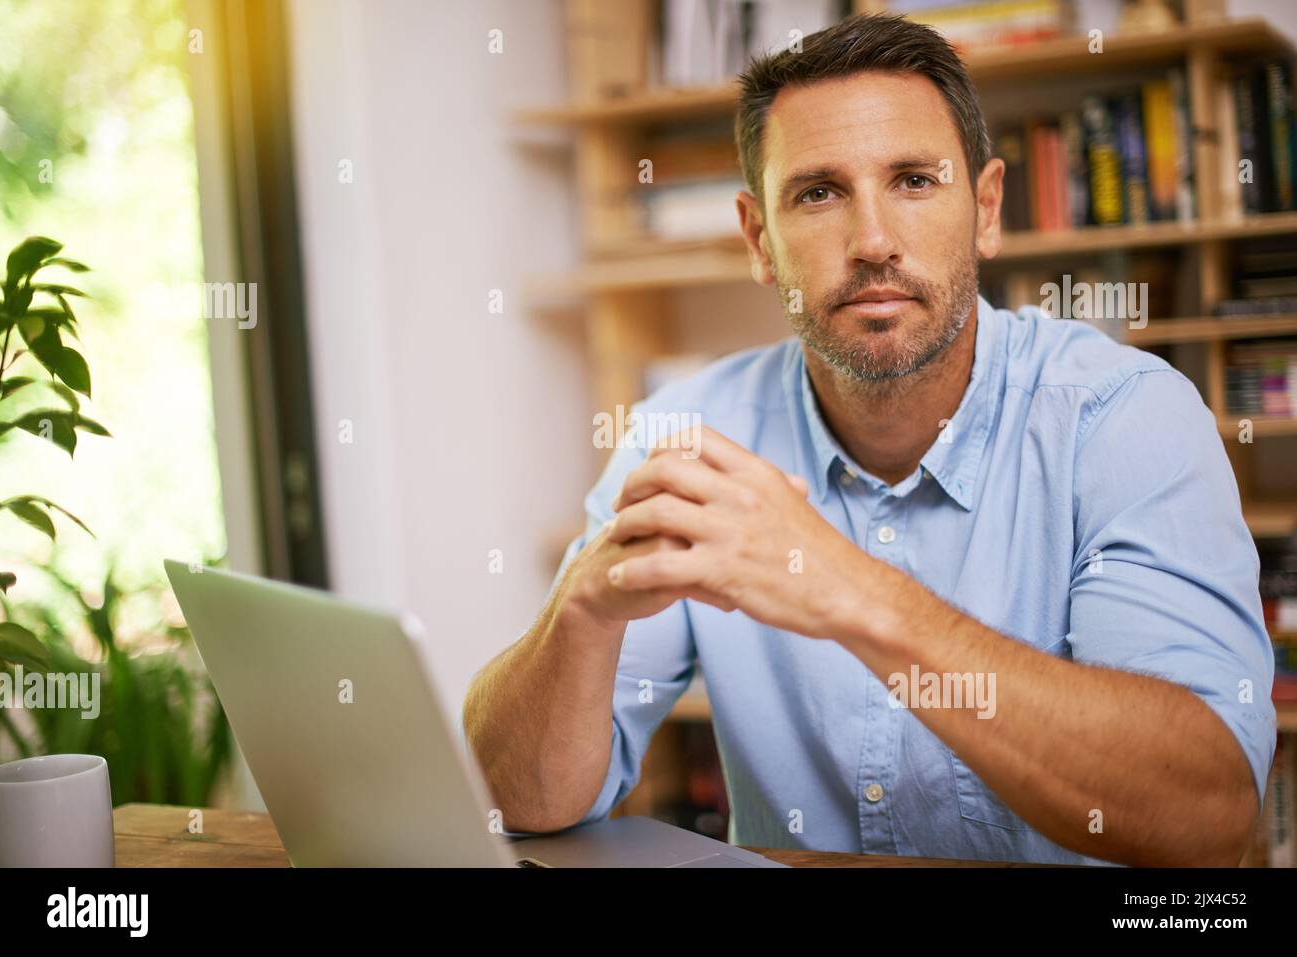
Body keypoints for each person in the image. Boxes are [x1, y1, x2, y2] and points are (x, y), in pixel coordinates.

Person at [463, 13, 1275, 866]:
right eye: (818, 193)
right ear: (758, 241)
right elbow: (513, 804)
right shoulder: (689, 434)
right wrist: (580, 613)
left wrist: (848, 589)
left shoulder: (1127, 416)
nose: (873, 242)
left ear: (986, 210)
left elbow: (1209, 817)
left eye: (915, 181)